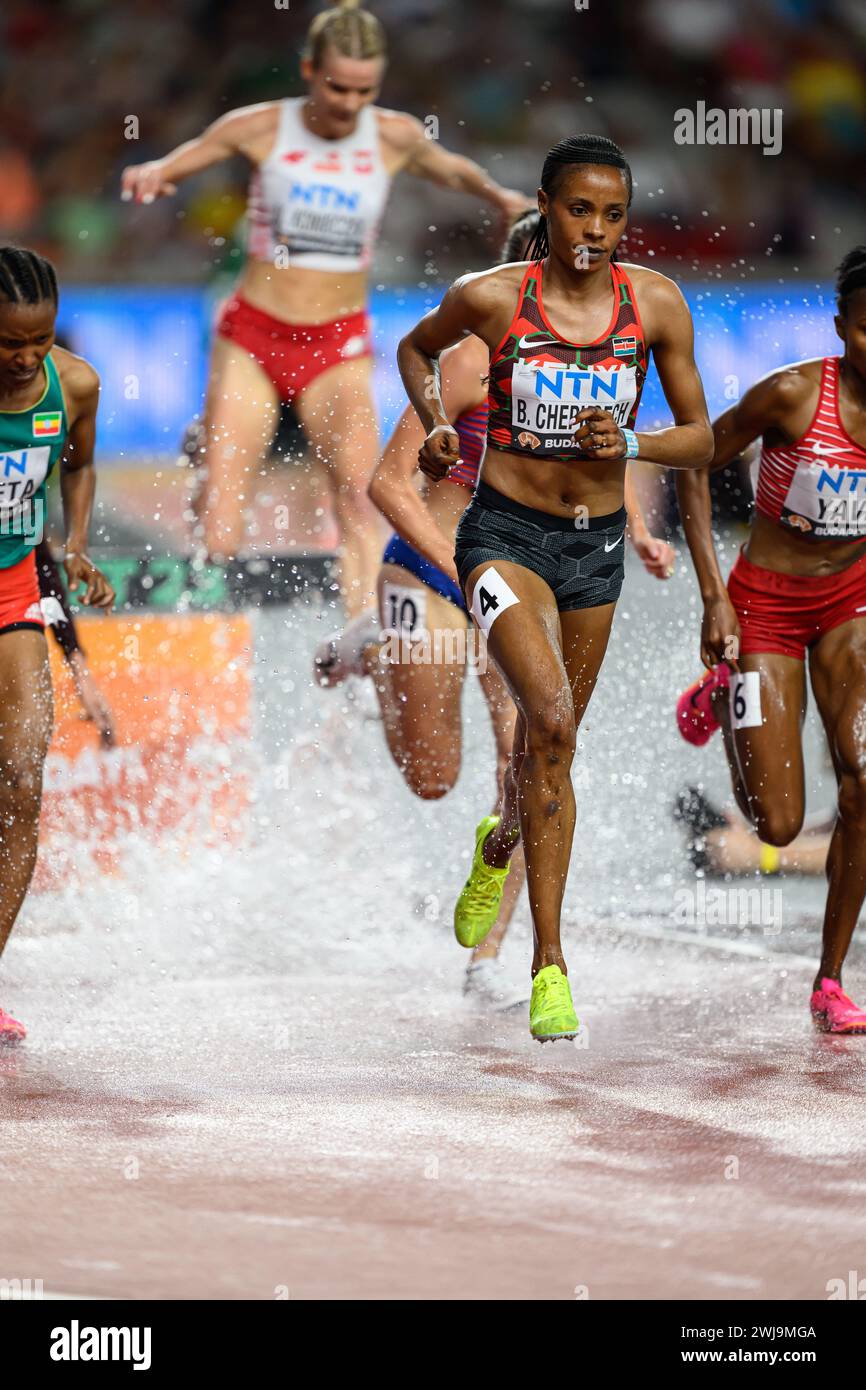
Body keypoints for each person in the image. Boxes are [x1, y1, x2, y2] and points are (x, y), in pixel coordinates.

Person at [397, 135, 713, 1041]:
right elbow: (415, 353)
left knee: (550, 751)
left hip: (596, 550)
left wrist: (634, 443)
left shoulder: (653, 305)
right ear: (546, 206)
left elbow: (705, 439)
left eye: (614, 215)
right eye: (580, 210)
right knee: (556, 717)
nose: (596, 231)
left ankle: (498, 843)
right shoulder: (493, 298)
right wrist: (434, 426)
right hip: (501, 540)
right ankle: (550, 965)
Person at [320, 211, 676, 1000]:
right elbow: (387, 483)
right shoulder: (469, 360)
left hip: (527, 577)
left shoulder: (597, 359)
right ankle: (377, 642)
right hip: (434, 571)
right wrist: (466, 569)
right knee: (433, 778)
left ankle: (492, 961)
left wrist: (643, 533)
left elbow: (595, 462)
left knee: (531, 760)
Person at [121, 0, 529, 618]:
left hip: (337, 344)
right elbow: (199, 150)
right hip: (252, 337)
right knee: (222, 508)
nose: (347, 103)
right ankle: (203, 656)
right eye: (336, 86)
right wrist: (158, 171)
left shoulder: (392, 136)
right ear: (309, 69)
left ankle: (363, 673)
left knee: (362, 501)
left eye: (364, 90)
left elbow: (449, 169)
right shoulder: (263, 126)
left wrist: (496, 194)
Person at [675, 245, 866, 1035]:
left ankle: (830, 980)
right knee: (778, 826)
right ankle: (725, 695)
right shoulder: (792, 395)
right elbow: (693, 461)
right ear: (840, 328)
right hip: (765, 611)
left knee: (861, 781)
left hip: (851, 604)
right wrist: (714, 597)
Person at [0, 246, 114, 1043]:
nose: (25, 358)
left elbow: (78, 467)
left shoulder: (73, 385)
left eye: (38, 341)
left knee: (19, 783)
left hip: (13, 587)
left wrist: (74, 543)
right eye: (8, 343)